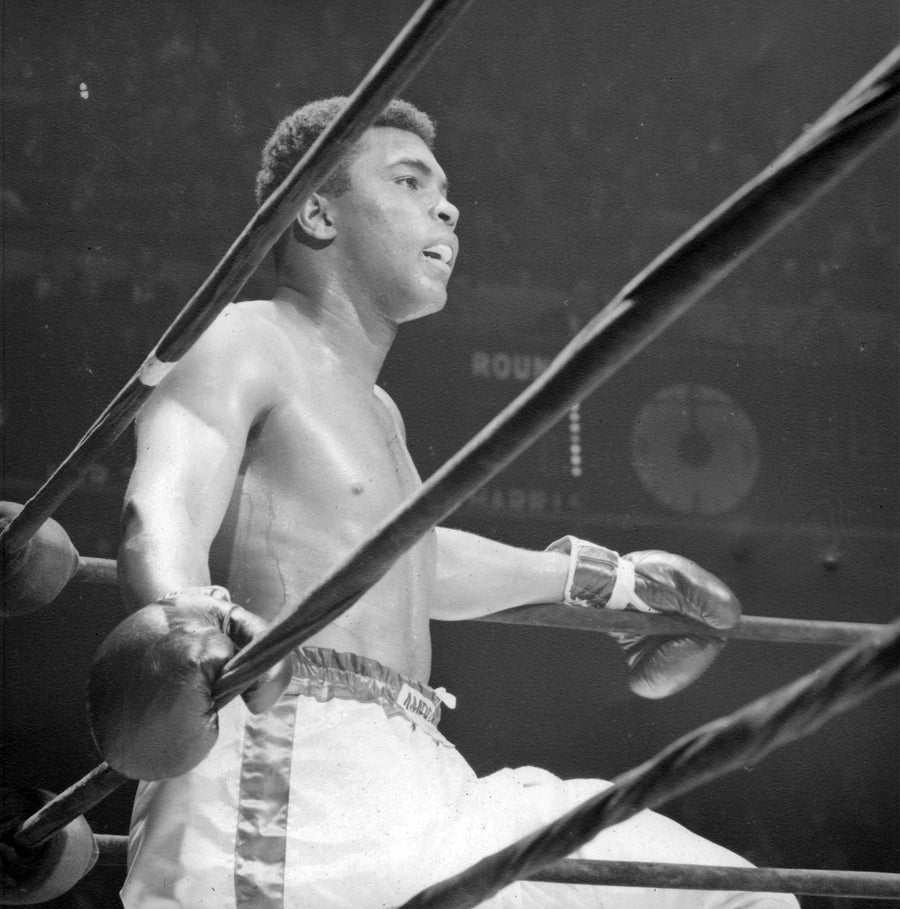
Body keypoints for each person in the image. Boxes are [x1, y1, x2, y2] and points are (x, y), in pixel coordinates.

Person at [93, 98, 799, 908]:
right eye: (408, 179)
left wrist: (613, 583)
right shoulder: (244, 338)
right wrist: (190, 639)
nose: (449, 205)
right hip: (286, 749)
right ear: (317, 211)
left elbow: (413, 561)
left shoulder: (379, 412)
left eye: (444, 188)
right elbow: (163, 509)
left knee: (726, 894)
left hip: (422, 772)